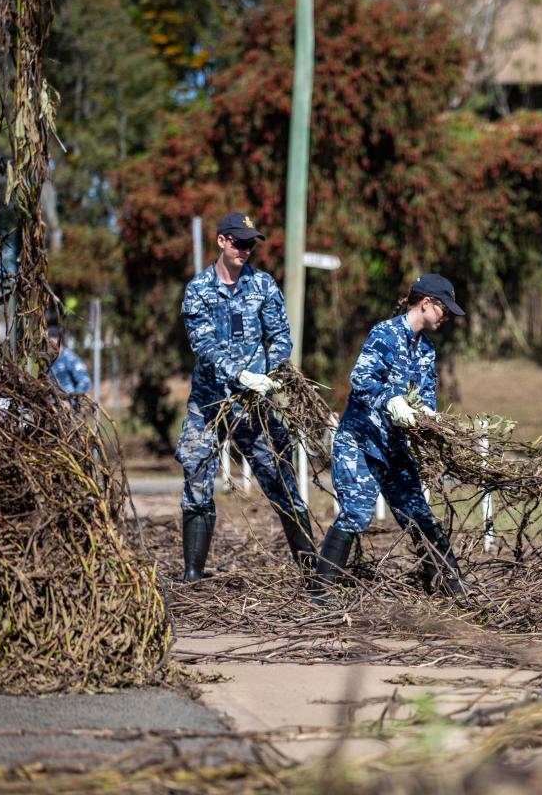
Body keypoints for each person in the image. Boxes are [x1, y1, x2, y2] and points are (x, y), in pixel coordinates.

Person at [311, 273, 469, 604]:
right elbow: (361, 377)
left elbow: (425, 398)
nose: (448, 317)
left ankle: (454, 591)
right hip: (360, 441)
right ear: (426, 303)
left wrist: (431, 419)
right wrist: (390, 400)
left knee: (419, 515)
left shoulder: (426, 348)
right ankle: (320, 593)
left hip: (395, 448)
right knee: (357, 512)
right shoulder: (385, 334)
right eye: (445, 310)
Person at [175, 211, 315, 582]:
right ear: (221, 241)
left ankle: (313, 573)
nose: (245, 250)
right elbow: (201, 344)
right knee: (196, 477)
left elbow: (281, 336)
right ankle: (193, 575)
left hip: (255, 405)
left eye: (250, 244)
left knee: (281, 481)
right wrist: (237, 373)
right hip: (209, 402)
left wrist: (270, 372)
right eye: (238, 243)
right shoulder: (199, 290)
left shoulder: (264, 286)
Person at [48, 326, 91, 397]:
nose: (48, 345)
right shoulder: (48, 360)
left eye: (51, 341)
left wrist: (72, 401)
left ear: (58, 340)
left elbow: (85, 381)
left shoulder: (69, 357)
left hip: (67, 404)